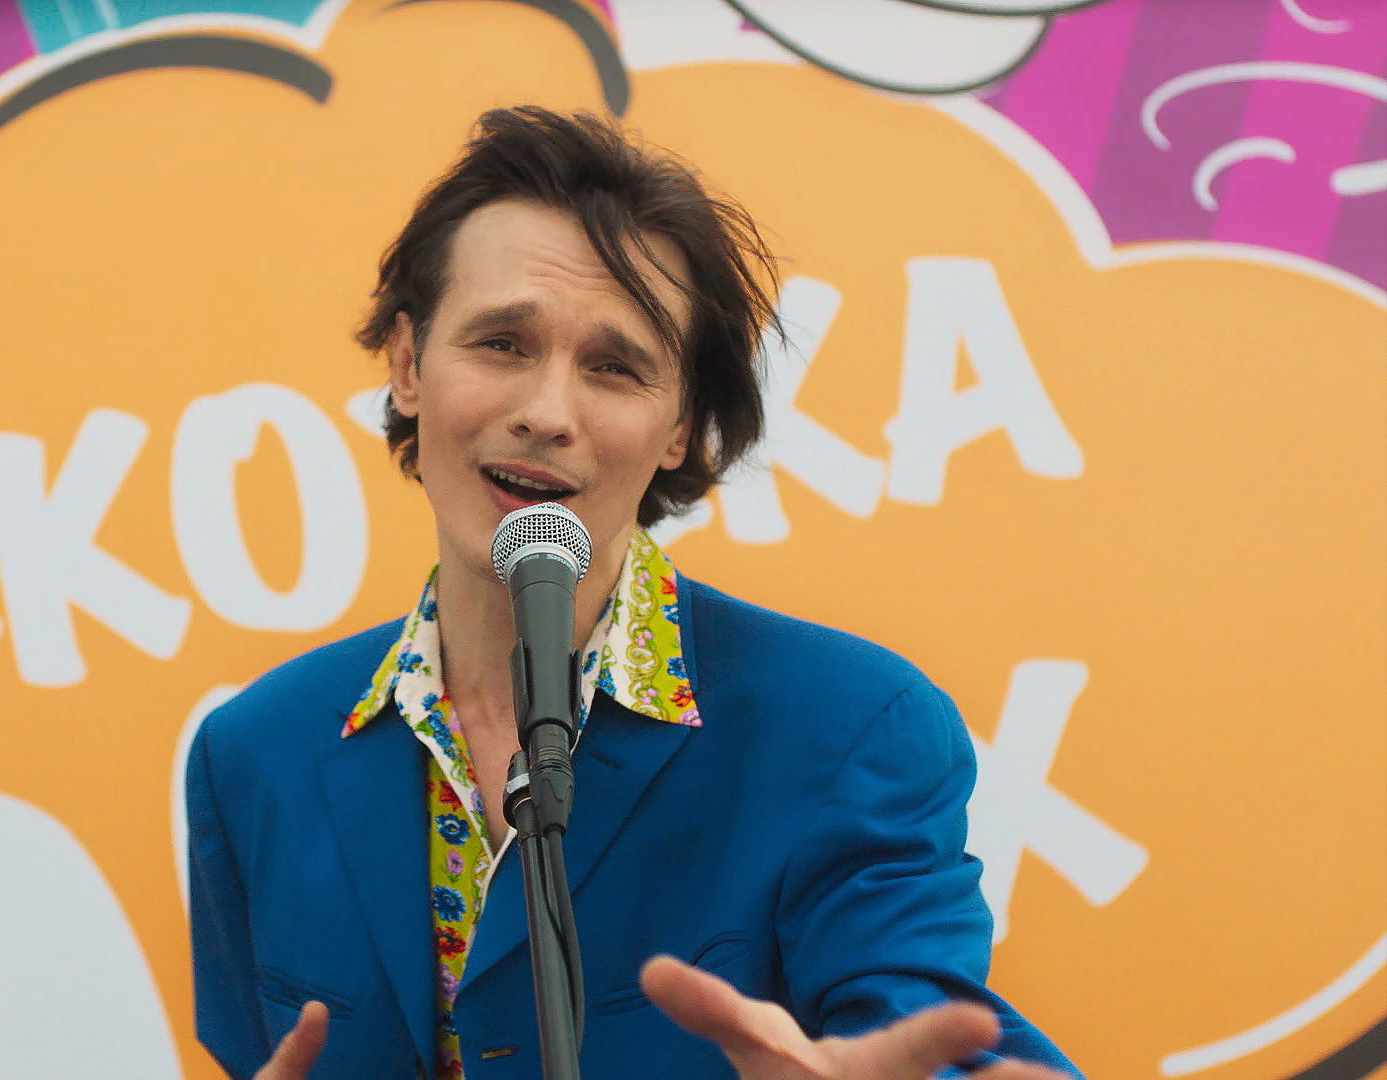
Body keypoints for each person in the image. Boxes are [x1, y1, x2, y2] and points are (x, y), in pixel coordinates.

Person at [185, 105, 1080, 1080]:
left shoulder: (851, 727)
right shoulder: (255, 753)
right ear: (408, 366)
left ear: (681, 428)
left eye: (615, 368)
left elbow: (922, 1043)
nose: (547, 414)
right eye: (502, 343)